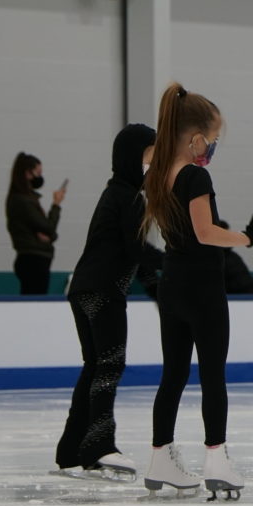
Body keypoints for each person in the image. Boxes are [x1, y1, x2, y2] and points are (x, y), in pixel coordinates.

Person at [140, 83, 253, 499]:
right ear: (194, 136)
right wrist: (248, 238)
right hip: (202, 288)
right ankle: (216, 458)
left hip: (172, 286)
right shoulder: (196, 175)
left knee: (174, 375)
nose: (212, 149)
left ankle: (160, 456)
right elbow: (205, 232)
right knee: (213, 374)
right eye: (212, 140)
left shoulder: (157, 172)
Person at [54, 123, 168, 479]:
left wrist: (157, 290)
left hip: (84, 289)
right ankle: (100, 446)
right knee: (108, 365)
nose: (155, 161)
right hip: (103, 291)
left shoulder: (118, 193)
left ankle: (72, 450)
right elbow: (137, 249)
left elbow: (131, 253)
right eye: (151, 154)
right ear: (135, 156)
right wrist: (176, 258)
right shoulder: (128, 196)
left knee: (96, 366)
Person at [5, 152, 66, 295]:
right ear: (27, 173)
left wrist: (50, 236)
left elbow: (47, 231)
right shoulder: (23, 201)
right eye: (38, 172)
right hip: (33, 261)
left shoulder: (24, 199)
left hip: (35, 259)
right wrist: (56, 204)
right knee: (34, 299)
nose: (40, 177)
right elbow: (49, 227)